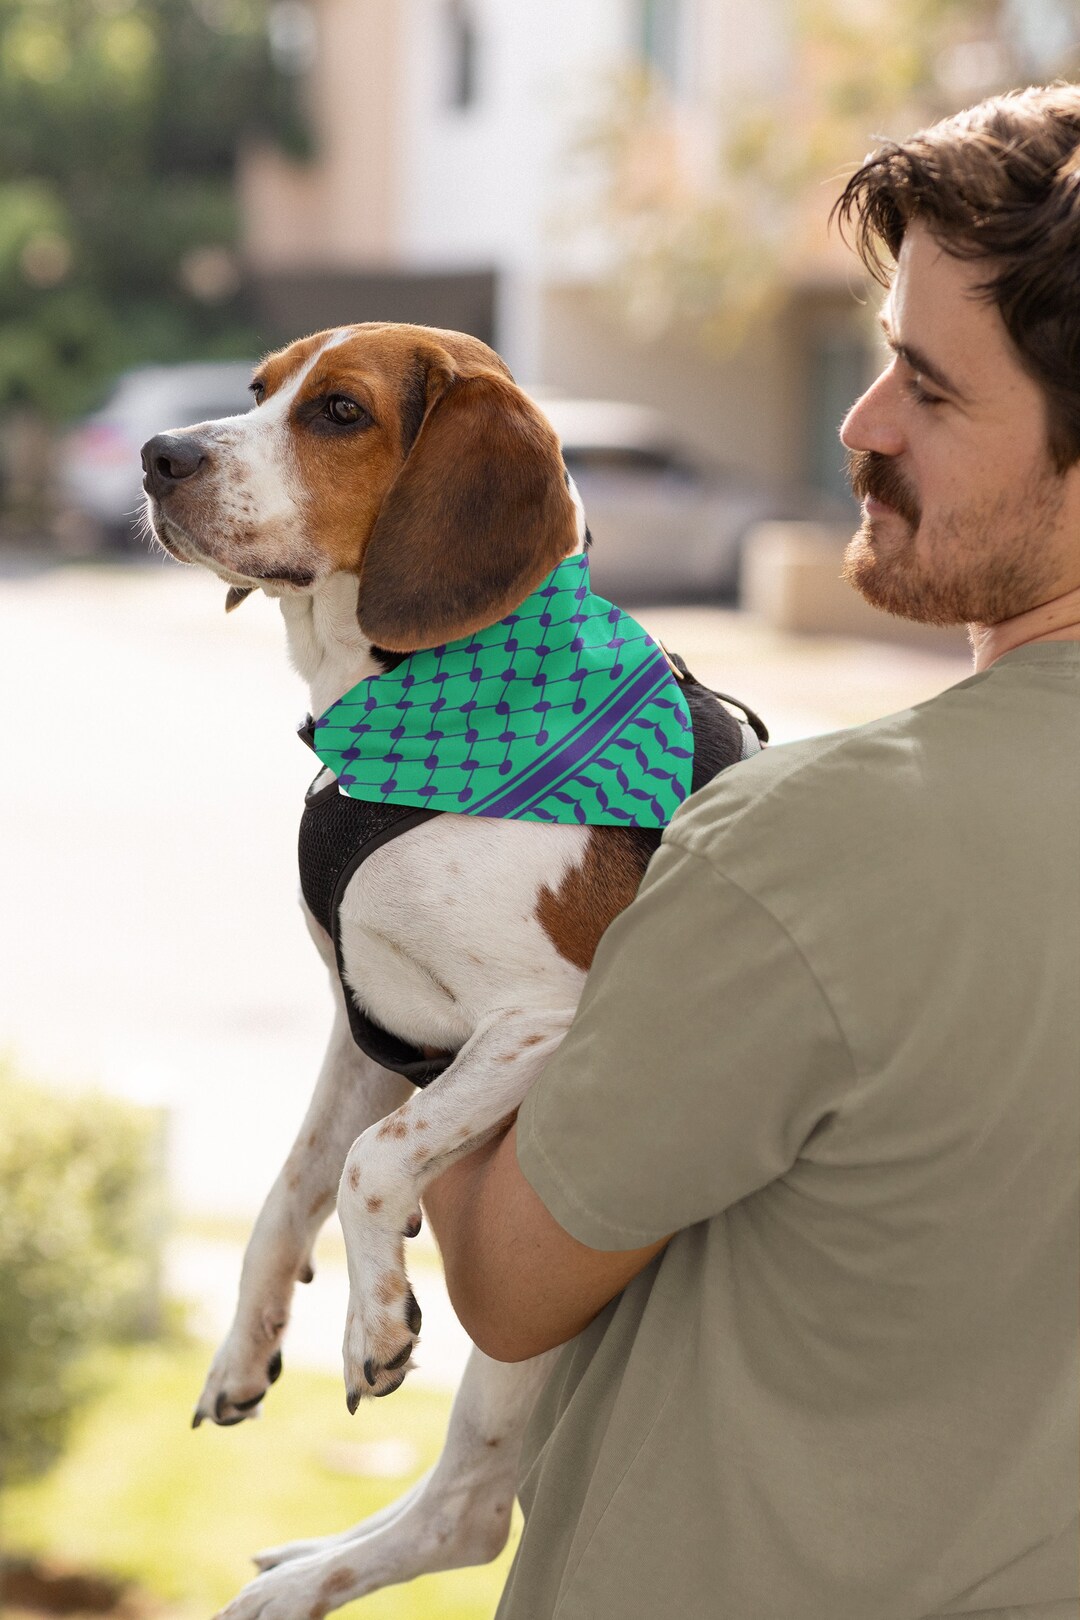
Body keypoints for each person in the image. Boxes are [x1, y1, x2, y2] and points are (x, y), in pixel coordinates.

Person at [424, 85, 1080, 1620]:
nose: (862, 423)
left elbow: (508, 1284)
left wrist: (409, 903)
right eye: (883, 357)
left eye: (931, 389)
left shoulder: (821, 849)